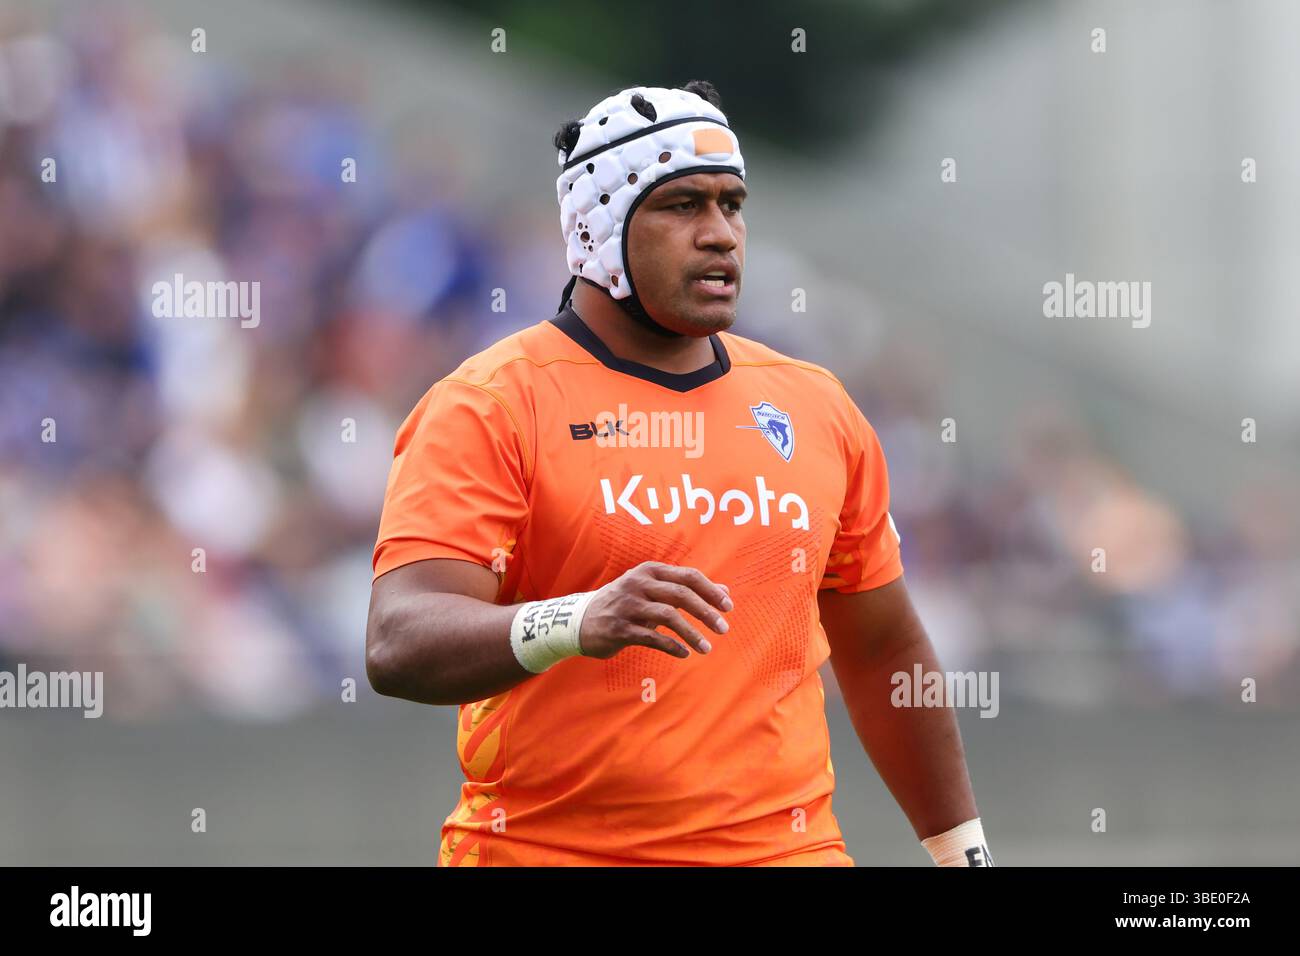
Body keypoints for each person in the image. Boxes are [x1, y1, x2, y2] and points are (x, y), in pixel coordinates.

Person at [366, 80, 992, 867]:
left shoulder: (815, 406)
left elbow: (883, 650)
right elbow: (397, 641)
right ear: (598, 224)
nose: (721, 234)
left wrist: (964, 854)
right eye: (683, 205)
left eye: (733, 204)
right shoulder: (491, 404)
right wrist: (574, 621)